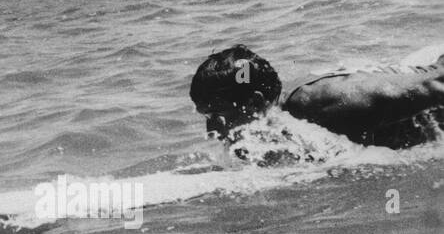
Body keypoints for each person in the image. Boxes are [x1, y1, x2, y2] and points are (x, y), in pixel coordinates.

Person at [190, 44, 444, 151]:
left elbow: (437, 82)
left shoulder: (328, 104)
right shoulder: (275, 123)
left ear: (256, 103)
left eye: (218, 116)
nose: (211, 130)